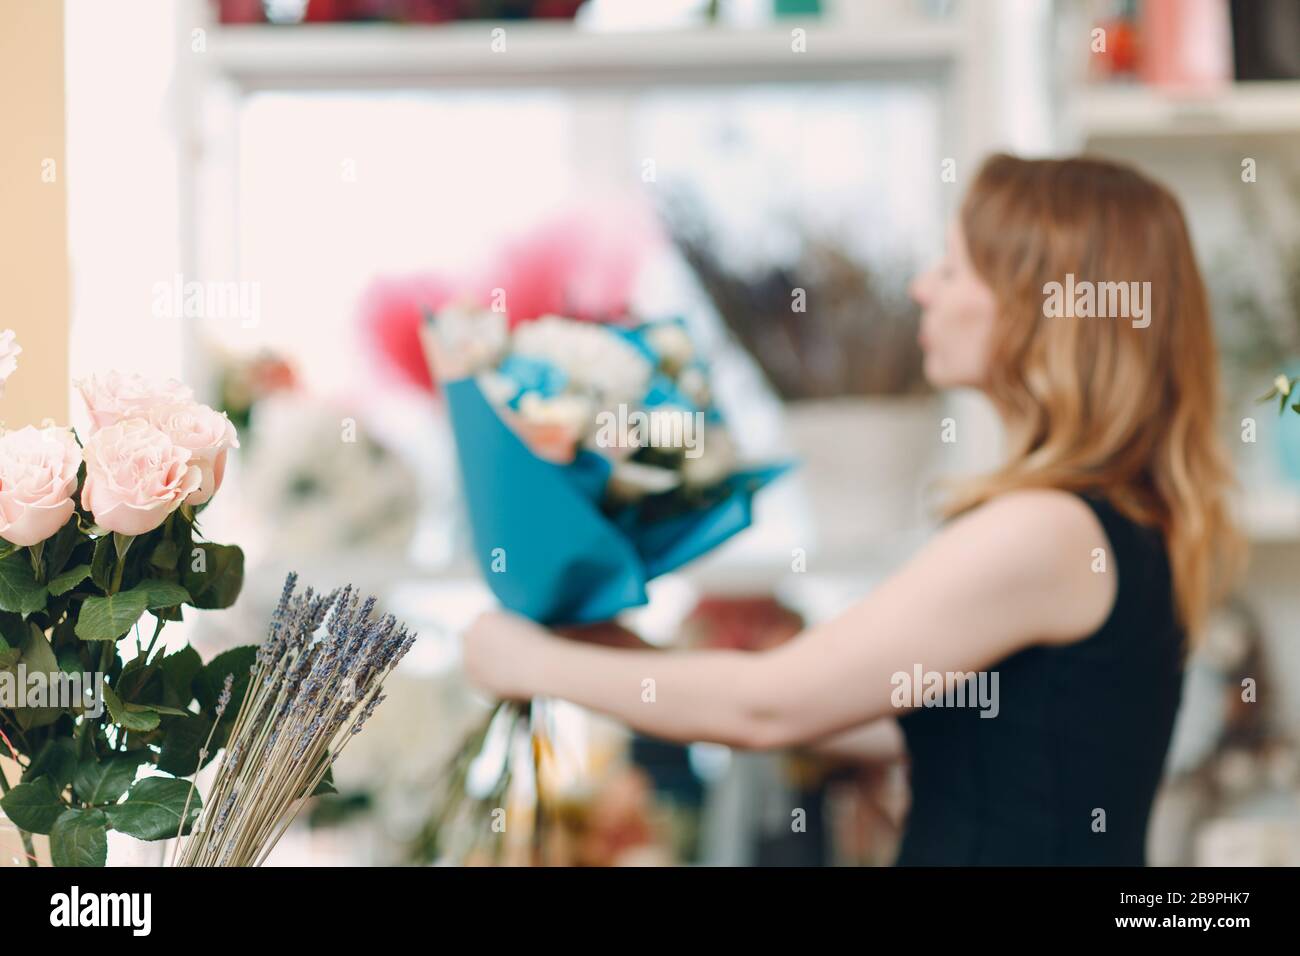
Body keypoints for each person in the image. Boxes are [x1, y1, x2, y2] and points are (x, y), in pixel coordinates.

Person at [459, 154, 1244, 865]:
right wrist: (620, 653)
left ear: (1043, 306)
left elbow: (770, 709)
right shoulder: (1114, 523)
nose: (921, 289)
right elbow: (889, 722)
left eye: (954, 269)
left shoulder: (1045, 532)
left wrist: (530, 661)